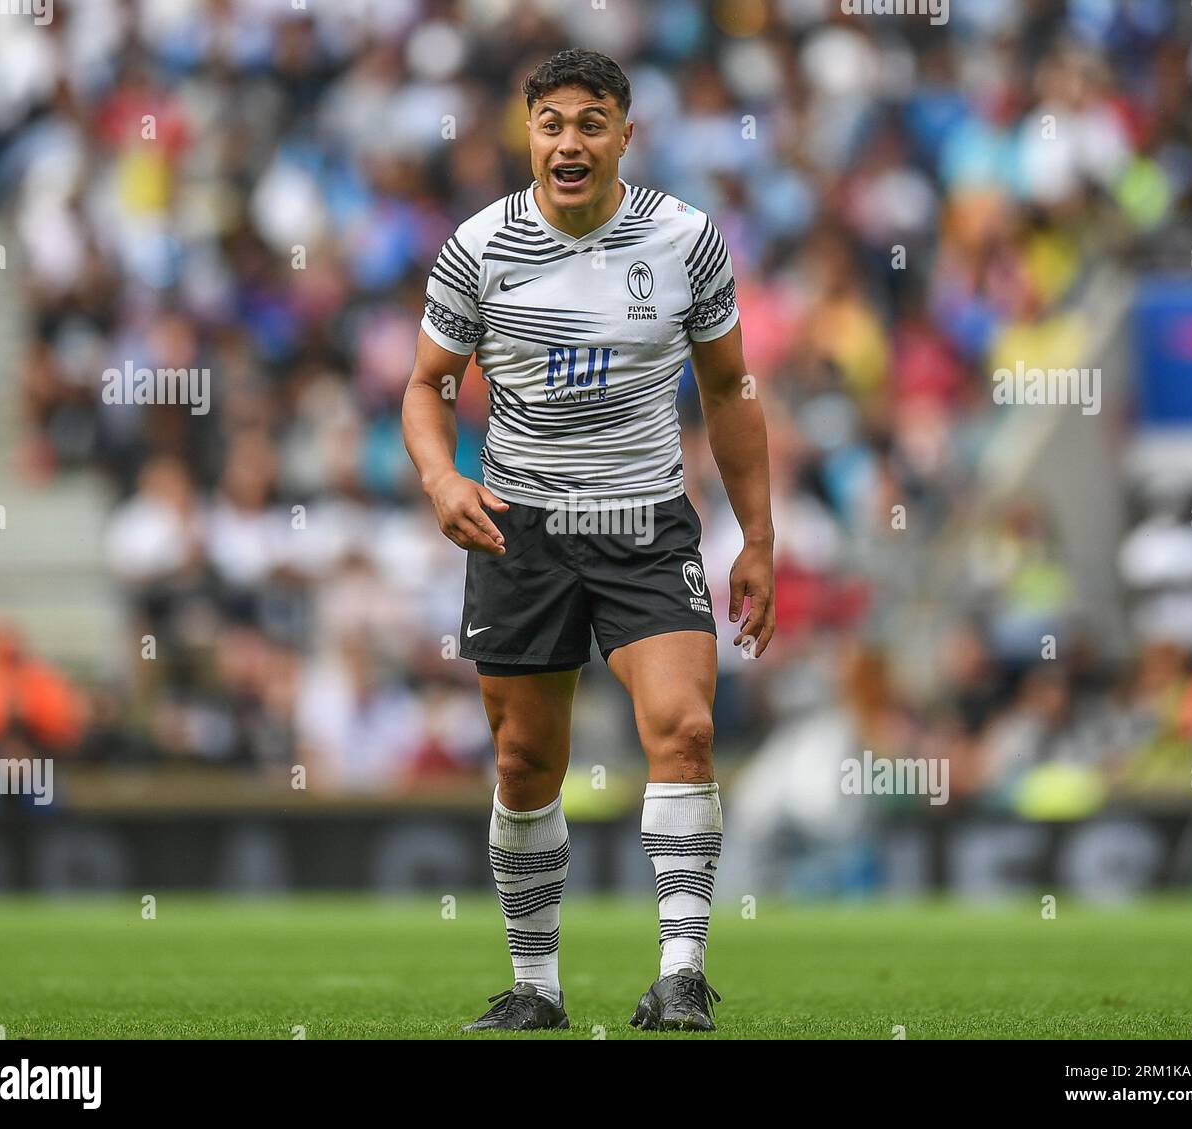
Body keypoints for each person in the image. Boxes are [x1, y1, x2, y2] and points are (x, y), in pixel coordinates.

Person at [402, 48, 774, 1032]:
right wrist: (442, 477)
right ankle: (536, 987)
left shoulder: (684, 239)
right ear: (528, 135)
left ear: (624, 134)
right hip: (516, 533)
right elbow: (426, 385)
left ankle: (682, 974)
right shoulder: (478, 247)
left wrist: (759, 540)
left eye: (590, 122)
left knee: (685, 729)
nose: (570, 141)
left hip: (645, 528)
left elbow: (732, 389)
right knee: (525, 761)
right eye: (551, 123)